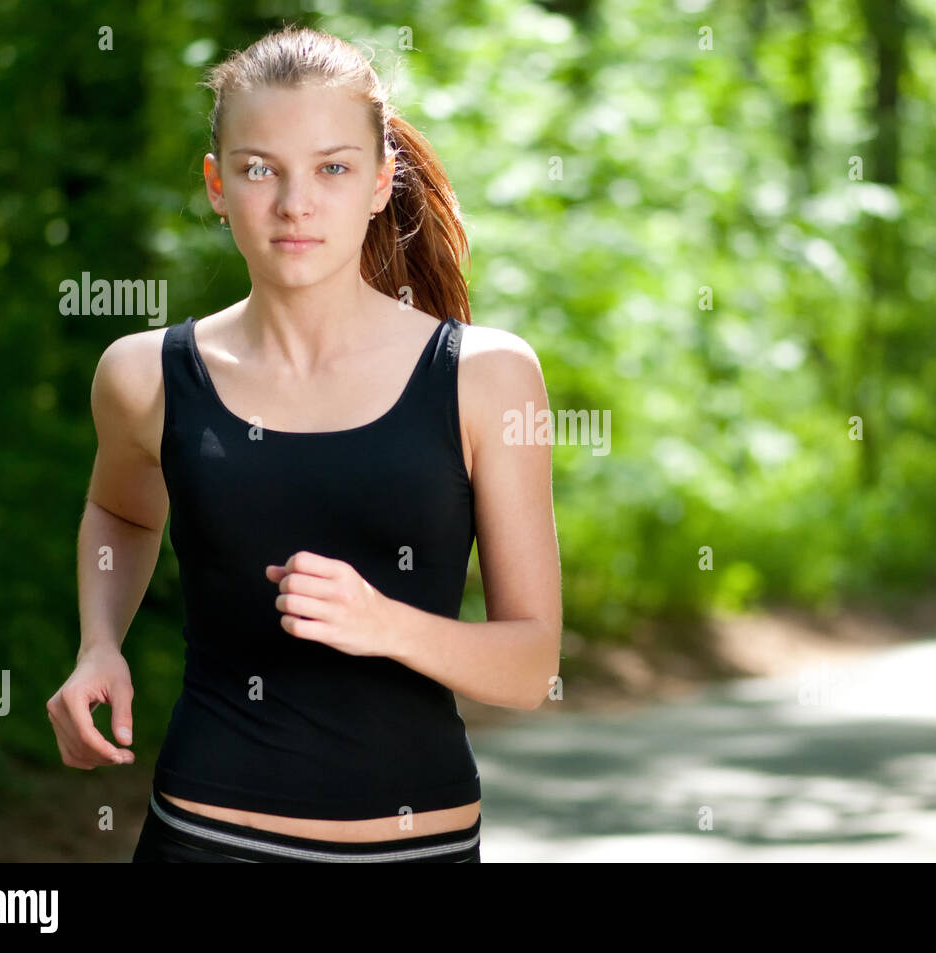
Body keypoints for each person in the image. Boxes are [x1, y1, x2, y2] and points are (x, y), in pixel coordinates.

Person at [45, 24, 562, 863]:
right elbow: (120, 511)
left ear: (379, 181)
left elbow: (531, 665)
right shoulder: (143, 375)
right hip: (203, 837)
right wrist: (98, 639)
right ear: (217, 185)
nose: (295, 204)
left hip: (413, 846)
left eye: (332, 167)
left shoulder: (485, 376)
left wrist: (384, 622)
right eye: (259, 169)